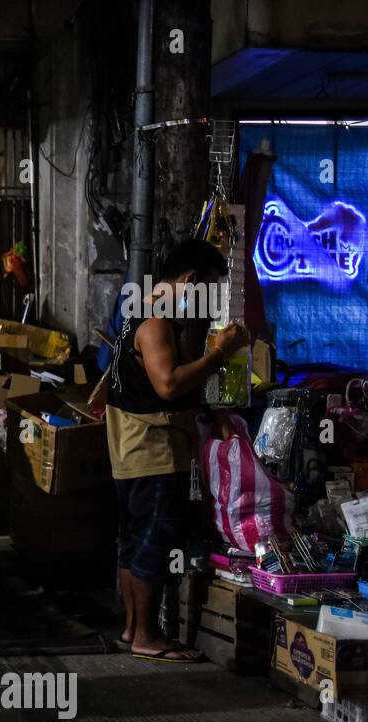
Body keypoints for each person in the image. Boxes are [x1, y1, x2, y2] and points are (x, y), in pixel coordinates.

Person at [108, 239, 249, 663]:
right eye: (208, 287)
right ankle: (148, 635)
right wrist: (223, 350)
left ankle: (133, 630)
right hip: (151, 451)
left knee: (135, 543)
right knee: (153, 540)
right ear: (188, 281)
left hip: (131, 452)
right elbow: (168, 383)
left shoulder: (142, 314)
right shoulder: (153, 322)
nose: (208, 299)